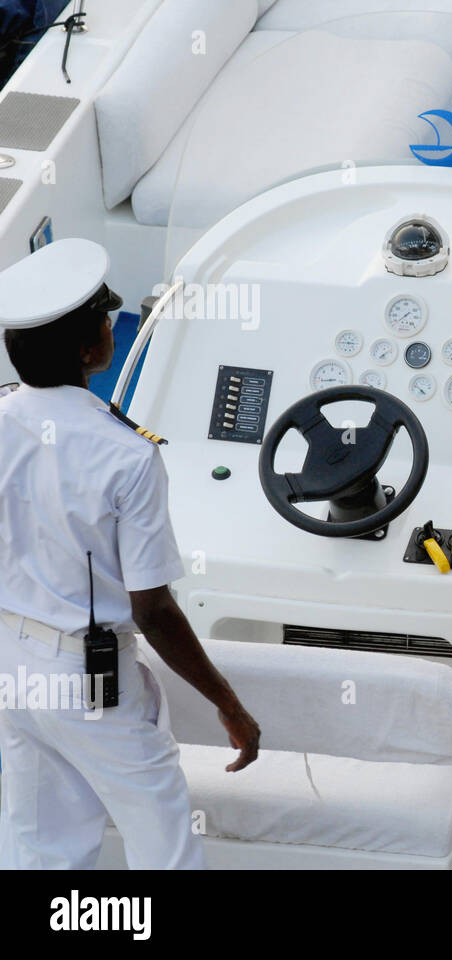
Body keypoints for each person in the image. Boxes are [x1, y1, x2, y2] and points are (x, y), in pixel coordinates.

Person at [0, 238, 261, 869]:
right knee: (164, 846)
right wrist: (228, 703)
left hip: (13, 666)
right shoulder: (129, 454)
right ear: (92, 350)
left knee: (39, 844)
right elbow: (153, 610)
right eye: (105, 319)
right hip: (88, 682)